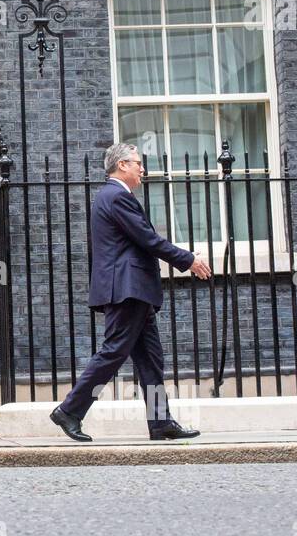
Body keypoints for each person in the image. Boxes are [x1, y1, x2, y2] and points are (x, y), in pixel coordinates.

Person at [50, 142, 212, 442]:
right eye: (138, 163)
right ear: (122, 165)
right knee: (113, 351)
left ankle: (161, 422)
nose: (142, 169)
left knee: (150, 359)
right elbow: (148, 239)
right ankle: (70, 410)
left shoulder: (112, 197)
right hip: (128, 289)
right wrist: (187, 259)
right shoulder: (116, 196)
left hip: (133, 290)